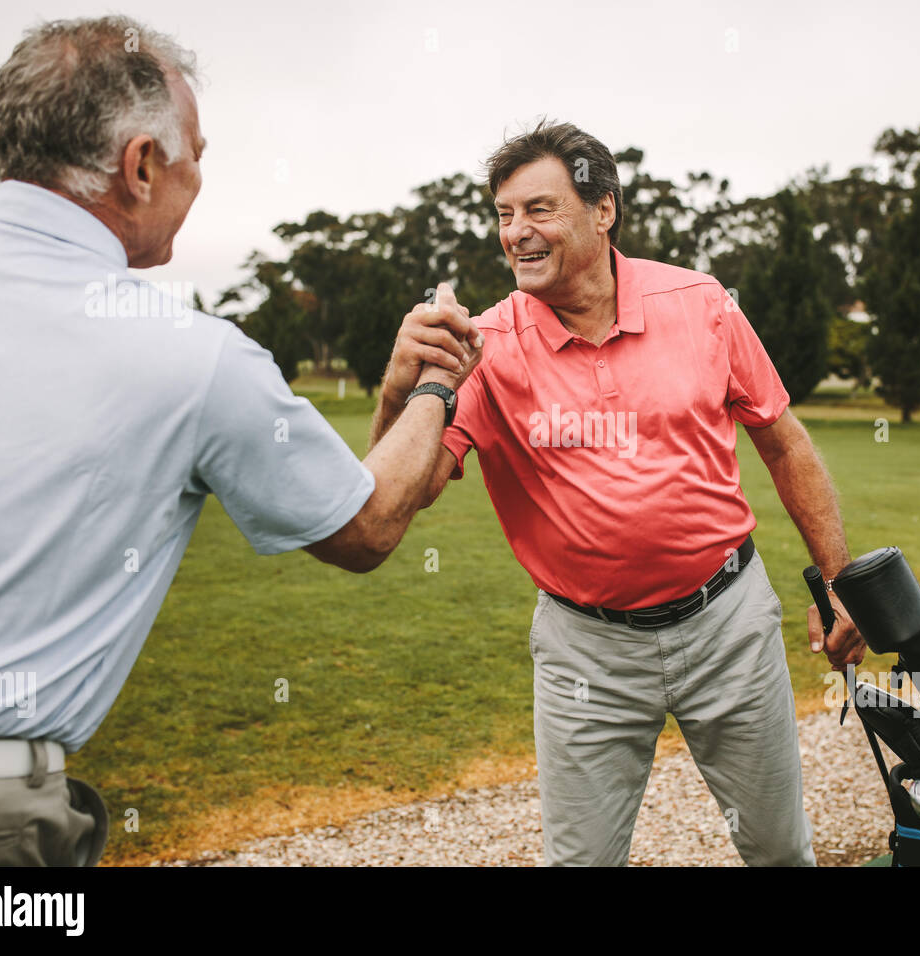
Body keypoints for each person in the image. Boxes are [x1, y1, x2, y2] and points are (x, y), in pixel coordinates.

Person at [0, 16, 480, 866]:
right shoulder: (188, 353)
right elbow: (365, 527)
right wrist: (440, 384)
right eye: (197, 155)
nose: (199, 180)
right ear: (141, 164)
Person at [370, 120, 867, 866]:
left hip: (728, 623)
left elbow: (783, 439)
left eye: (539, 209)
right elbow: (403, 496)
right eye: (504, 215)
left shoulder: (701, 303)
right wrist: (397, 389)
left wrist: (840, 581)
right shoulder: (485, 344)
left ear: (605, 210)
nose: (516, 234)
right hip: (585, 650)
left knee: (778, 850)